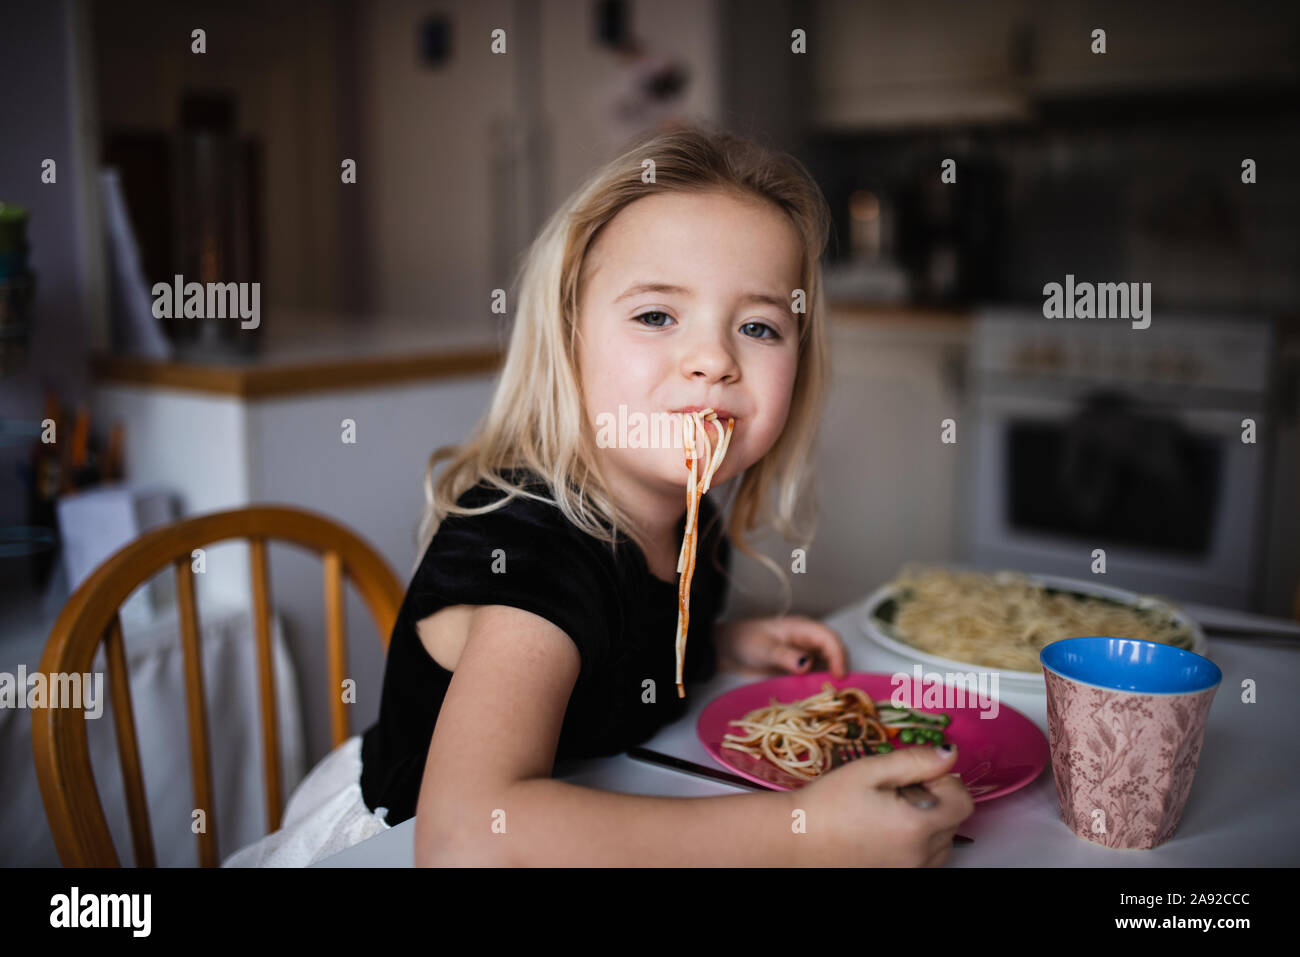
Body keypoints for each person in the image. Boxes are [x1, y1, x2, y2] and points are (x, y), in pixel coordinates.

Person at [223, 126, 974, 867]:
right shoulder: (532, 552)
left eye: (758, 325)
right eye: (656, 315)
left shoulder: (684, 517)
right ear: (567, 340)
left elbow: (611, 655)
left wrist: (715, 647)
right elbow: (465, 835)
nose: (713, 358)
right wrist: (804, 832)